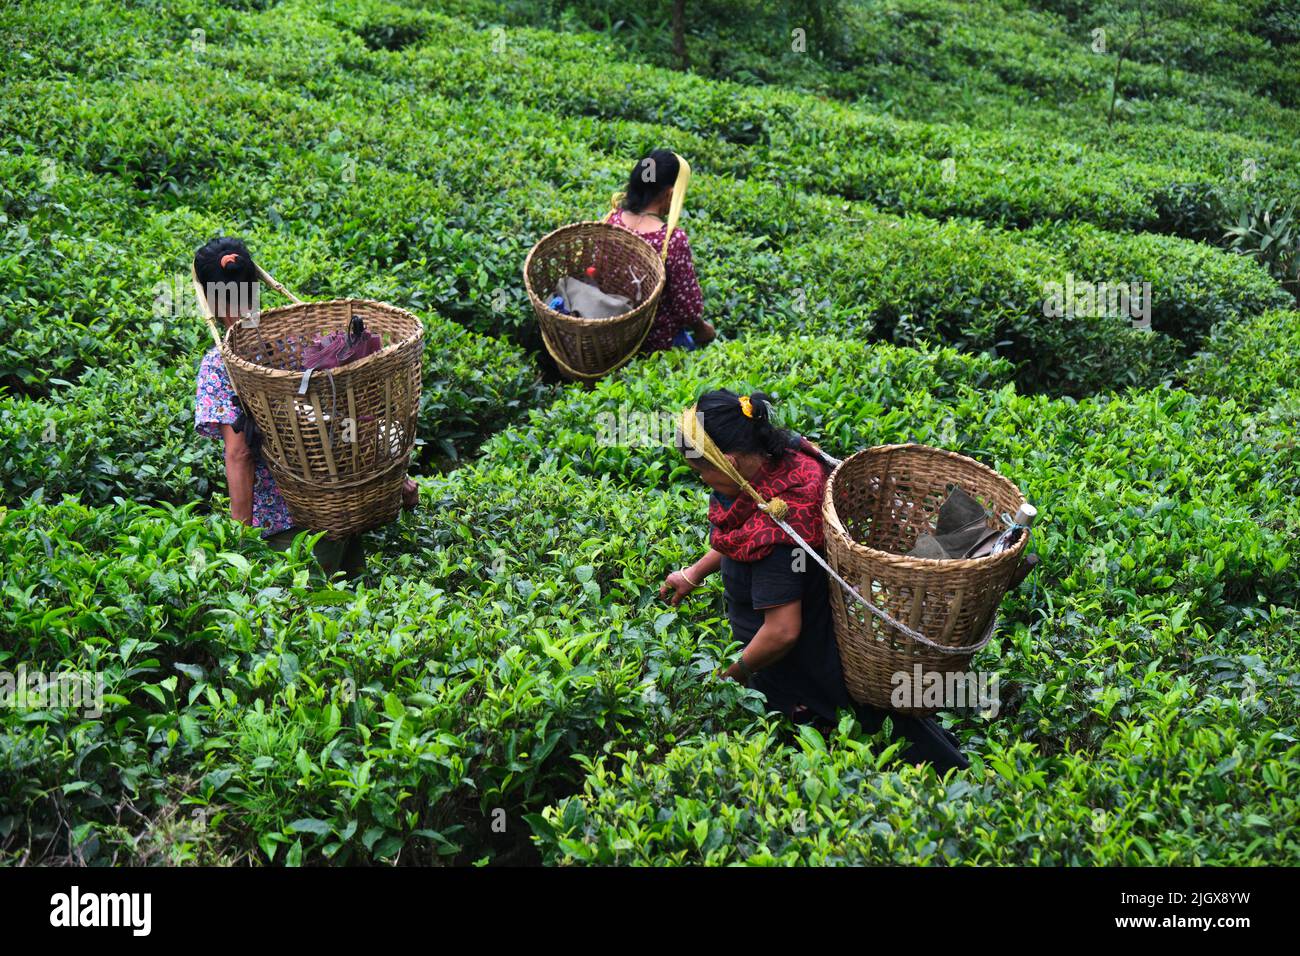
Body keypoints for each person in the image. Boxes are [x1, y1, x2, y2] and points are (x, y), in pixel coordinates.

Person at [662, 388, 969, 772]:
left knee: (873, 748)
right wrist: (694, 573)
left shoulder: (780, 528)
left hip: (796, 675)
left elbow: (782, 632)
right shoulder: (785, 461)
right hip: (817, 643)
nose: (704, 482)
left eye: (701, 471)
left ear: (728, 462)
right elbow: (746, 533)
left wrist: (730, 677)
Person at [192, 237, 416, 579]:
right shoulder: (301, 342)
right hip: (340, 512)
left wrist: (239, 543)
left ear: (210, 300)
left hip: (286, 530)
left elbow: (240, 454)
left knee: (305, 617)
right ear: (255, 286)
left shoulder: (220, 365)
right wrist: (395, 478)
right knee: (352, 617)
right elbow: (353, 416)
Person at [606, 149, 715, 351]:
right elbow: (687, 309)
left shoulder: (612, 220)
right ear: (670, 194)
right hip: (654, 342)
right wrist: (703, 329)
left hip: (612, 330)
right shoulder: (672, 240)